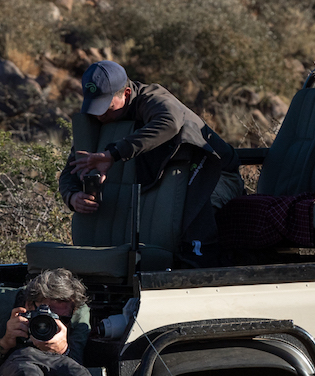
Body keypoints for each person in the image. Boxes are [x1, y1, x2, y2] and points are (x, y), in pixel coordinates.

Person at [59, 60, 242, 260]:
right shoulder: (97, 117)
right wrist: (72, 197)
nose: (99, 114)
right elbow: (74, 166)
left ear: (126, 94)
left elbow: (170, 122)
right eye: (94, 106)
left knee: (197, 213)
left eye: (106, 106)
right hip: (160, 189)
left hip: (214, 174)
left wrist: (113, 154)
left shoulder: (152, 99)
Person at [0, 269, 97, 376]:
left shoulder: (78, 315)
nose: (50, 323)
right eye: (46, 315)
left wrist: (64, 350)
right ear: (28, 304)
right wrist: (4, 343)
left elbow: (77, 366)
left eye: (62, 318)